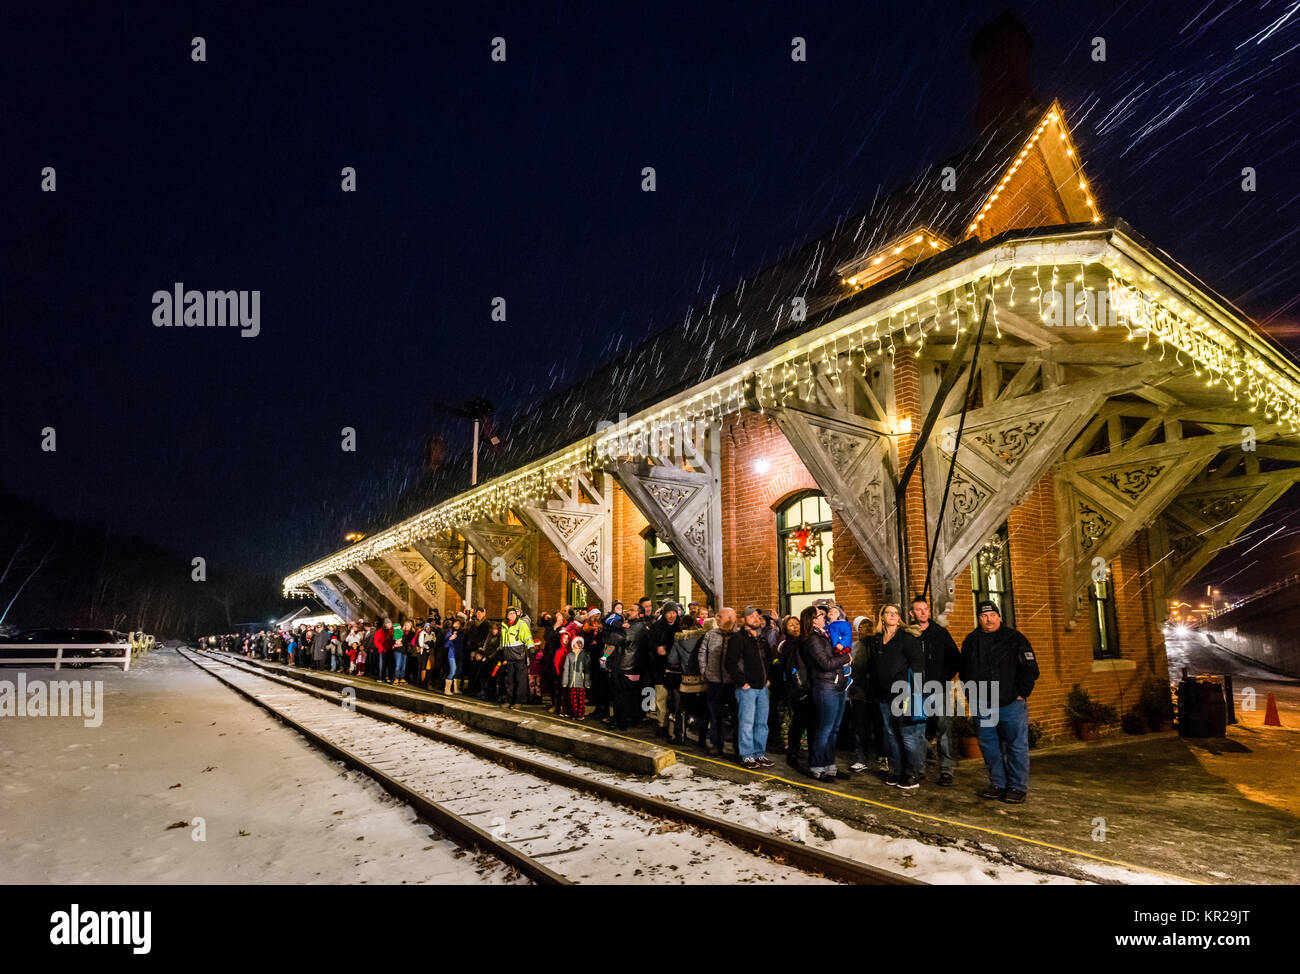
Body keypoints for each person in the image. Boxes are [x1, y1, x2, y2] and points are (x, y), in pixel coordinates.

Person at [959, 600, 1039, 804]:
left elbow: (1030, 668)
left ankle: (1016, 786)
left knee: (1016, 746)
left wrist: (1022, 692)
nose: (989, 620)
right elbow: (965, 672)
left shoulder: (1014, 638)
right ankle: (998, 783)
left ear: (999, 616)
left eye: (992, 615)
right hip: (983, 704)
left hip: (1010, 703)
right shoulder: (971, 641)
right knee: (989, 746)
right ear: (979, 618)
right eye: (984, 616)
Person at [868, 603, 926, 789]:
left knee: (907, 735)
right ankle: (897, 771)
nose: (892, 615)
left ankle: (912, 774)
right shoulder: (877, 640)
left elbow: (918, 663)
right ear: (882, 617)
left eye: (895, 613)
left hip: (903, 693)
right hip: (883, 696)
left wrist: (914, 689)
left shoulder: (905, 637)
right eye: (888, 613)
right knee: (892, 735)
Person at [911, 597, 961, 786]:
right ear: (912, 613)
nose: (923, 613)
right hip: (916, 691)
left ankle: (946, 771)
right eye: (919, 609)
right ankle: (920, 768)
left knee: (943, 731)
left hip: (939, 690)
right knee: (919, 731)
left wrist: (943, 677)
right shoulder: (908, 634)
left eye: (925, 609)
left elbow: (955, 659)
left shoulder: (940, 634)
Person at [799, 604, 850, 781]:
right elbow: (825, 663)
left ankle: (830, 767)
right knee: (824, 728)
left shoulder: (825, 634)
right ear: (812, 619)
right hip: (825, 686)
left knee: (834, 729)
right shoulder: (812, 639)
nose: (825, 617)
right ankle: (816, 766)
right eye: (821, 614)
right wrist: (846, 658)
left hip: (837, 684)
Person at [726, 606, 774, 768]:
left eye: (756, 616)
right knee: (747, 722)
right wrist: (742, 682)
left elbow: (768, 661)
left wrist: (768, 679)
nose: (756, 618)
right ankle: (746, 754)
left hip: (762, 687)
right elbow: (730, 663)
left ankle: (759, 753)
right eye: (751, 616)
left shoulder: (762, 639)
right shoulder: (738, 639)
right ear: (743, 620)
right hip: (747, 688)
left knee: (761, 722)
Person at [697, 607, 736, 756]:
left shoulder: (737, 636)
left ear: (730, 618)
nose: (717, 618)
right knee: (715, 715)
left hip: (732, 681)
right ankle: (716, 744)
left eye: (720, 616)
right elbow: (702, 652)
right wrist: (704, 670)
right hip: (714, 681)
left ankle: (736, 746)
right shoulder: (710, 634)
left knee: (735, 716)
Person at [847, 615, 881, 774]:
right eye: (862, 626)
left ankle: (882, 758)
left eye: (868, 625)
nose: (866, 629)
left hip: (877, 693)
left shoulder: (880, 644)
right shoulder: (856, 646)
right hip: (860, 693)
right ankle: (861, 758)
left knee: (880, 727)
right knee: (861, 728)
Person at [777, 615, 810, 768]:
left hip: (809, 687)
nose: (795, 627)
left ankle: (804, 752)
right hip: (797, 689)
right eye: (791, 625)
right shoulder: (789, 646)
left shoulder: (805, 641)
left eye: (797, 623)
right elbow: (789, 668)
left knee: (808, 721)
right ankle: (792, 752)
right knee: (799, 721)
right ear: (785, 629)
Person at [649, 601, 685, 737]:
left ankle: (678, 728)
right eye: (669, 612)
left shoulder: (681, 626)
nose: (672, 615)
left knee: (677, 700)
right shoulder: (657, 626)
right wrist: (656, 648)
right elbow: (649, 642)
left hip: (676, 669)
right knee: (661, 698)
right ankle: (662, 725)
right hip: (660, 666)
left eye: (674, 612)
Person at [500, 607, 532, 708]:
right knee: (509, 681)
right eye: (510, 614)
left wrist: (531, 648)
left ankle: (518, 701)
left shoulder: (521, 624)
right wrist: (501, 651)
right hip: (509, 657)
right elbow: (503, 641)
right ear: (507, 615)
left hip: (519, 656)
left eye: (514, 613)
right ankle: (509, 700)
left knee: (520, 680)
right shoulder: (504, 625)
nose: (513, 615)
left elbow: (527, 637)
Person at [561, 635, 591, 720]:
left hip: (581, 683)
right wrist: (565, 682)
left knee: (581, 700)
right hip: (572, 683)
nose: (579, 644)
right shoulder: (569, 656)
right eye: (577, 642)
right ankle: (574, 713)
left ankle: (580, 714)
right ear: (573, 644)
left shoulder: (585, 656)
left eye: (580, 642)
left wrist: (587, 682)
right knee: (573, 700)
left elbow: (587, 670)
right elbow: (566, 669)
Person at [443, 618, 462, 694]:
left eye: (458, 624)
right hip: (452, 654)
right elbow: (446, 645)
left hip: (459, 654)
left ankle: (456, 689)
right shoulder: (450, 632)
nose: (457, 625)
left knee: (458, 671)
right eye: (455, 623)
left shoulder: (461, 632)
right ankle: (447, 689)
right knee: (453, 670)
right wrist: (451, 638)